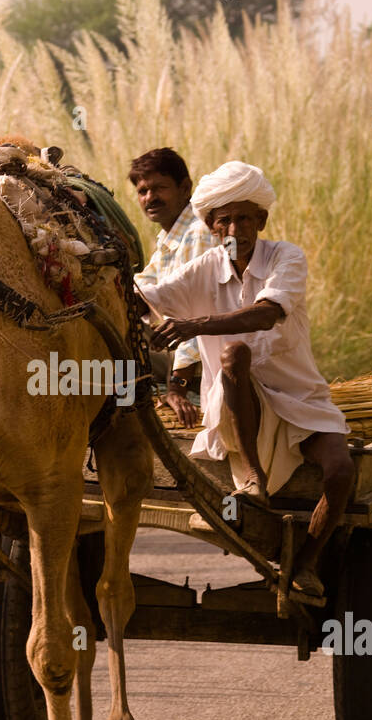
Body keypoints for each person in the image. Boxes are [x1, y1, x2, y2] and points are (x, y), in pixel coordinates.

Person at [136, 161, 354, 598]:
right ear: (212, 228)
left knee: (341, 470)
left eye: (244, 217)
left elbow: (267, 313)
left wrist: (194, 325)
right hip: (234, 404)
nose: (235, 226)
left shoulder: (286, 258)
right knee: (235, 357)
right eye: (225, 219)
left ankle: (305, 564)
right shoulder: (204, 268)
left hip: (297, 396)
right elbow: (147, 298)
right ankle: (252, 476)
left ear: (262, 221)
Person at [129, 148, 218, 425]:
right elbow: (140, 289)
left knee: (115, 347)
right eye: (143, 191)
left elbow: (195, 317)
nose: (150, 198)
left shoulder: (197, 233)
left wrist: (177, 387)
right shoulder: (170, 237)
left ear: (184, 187)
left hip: (203, 358)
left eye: (159, 188)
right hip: (179, 350)